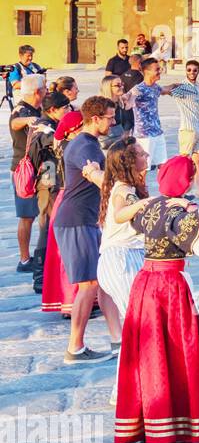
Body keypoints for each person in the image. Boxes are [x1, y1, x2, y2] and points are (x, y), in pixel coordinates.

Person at [114, 156, 199, 443]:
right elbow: (196, 244)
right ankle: (172, 427)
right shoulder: (180, 211)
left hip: (145, 281)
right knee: (174, 351)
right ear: (186, 182)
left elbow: (132, 221)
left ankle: (150, 423)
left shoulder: (150, 205)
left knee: (149, 353)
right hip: (170, 286)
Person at [52, 95, 116, 364]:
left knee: (102, 282)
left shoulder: (85, 143)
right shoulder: (85, 147)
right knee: (88, 285)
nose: (113, 122)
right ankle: (75, 348)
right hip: (76, 221)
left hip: (85, 220)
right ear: (95, 118)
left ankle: (119, 340)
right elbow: (95, 175)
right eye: (110, 117)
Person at [95, 138, 149, 346]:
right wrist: (143, 204)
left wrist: (91, 172)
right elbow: (119, 214)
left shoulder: (119, 184)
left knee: (139, 321)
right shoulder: (125, 190)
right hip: (122, 260)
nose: (146, 156)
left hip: (120, 258)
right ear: (129, 163)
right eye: (142, 154)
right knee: (140, 321)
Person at [26, 90, 71, 294]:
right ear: (53, 110)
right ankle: (40, 276)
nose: (68, 110)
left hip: (48, 177)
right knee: (46, 227)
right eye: (65, 108)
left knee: (49, 226)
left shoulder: (45, 124)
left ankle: (44, 274)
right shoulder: (46, 129)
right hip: (48, 179)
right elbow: (57, 151)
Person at [41, 112, 84, 316]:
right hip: (71, 199)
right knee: (71, 253)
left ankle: (77, 300)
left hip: (64, 197)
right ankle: (71, 302)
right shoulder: (74, 147)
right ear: (74, 129)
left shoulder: (64, 145)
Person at [10, 73, 45, 274]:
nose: (47, 90)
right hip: (24, 171)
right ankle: (24, 260)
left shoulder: (36, 107)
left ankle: (39, 253)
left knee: (38, 214)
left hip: (38, 168)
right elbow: (14, 123)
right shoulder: (21, 109)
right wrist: (27, 119)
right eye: (45, 87)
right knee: (26, 216)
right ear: (37, 92)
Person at [169, 60, 199, 198]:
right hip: (187, 129)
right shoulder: (182, 87)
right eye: (189, 70)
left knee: (197, 160)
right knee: (183, 161)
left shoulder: (198, 88)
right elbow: (168, 91)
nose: (192, 72)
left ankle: (198, 190)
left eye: (195, 70)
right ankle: (178, 190)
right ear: (185, 71)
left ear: (198, 71)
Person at [125, 59, 169, 169]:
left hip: (158, 132)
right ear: (147, 71)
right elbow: (128, 103)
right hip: (144, 135)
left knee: (163, 166)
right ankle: (140, 187)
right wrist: (130, 99)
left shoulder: (155, 87)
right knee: (143, 169)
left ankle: (163, 186)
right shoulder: (138, 89)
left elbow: (165, 90)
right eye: (157, 69)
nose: (160, 71)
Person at [100, 74, 130, 144]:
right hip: (108, 142)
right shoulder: (102, 106)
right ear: (108, 87)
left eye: (122, 84)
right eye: (118, 85)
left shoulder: (120, 102)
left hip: (120, 140)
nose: (122, 87)